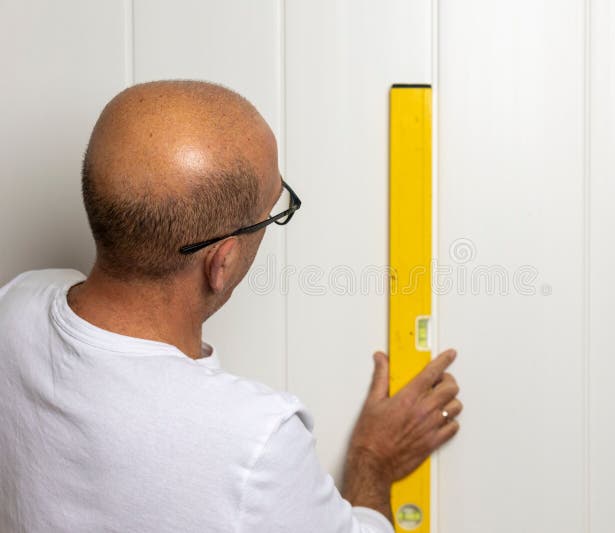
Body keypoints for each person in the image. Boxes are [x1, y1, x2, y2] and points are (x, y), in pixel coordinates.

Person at [0, 80, 462, 532]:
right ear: (222, 261)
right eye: (275, 209)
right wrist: (372, 461)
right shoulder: (252, 442)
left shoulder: (15, 306)